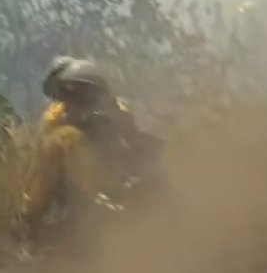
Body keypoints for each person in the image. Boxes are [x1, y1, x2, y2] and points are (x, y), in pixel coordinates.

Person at [17, 56, 163, 244]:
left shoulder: (63, 133)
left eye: (82, 95)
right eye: (75, 96)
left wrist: (27, 220)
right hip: (93, 219)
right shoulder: (63, 131)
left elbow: (36, 197)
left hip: (111, 215)